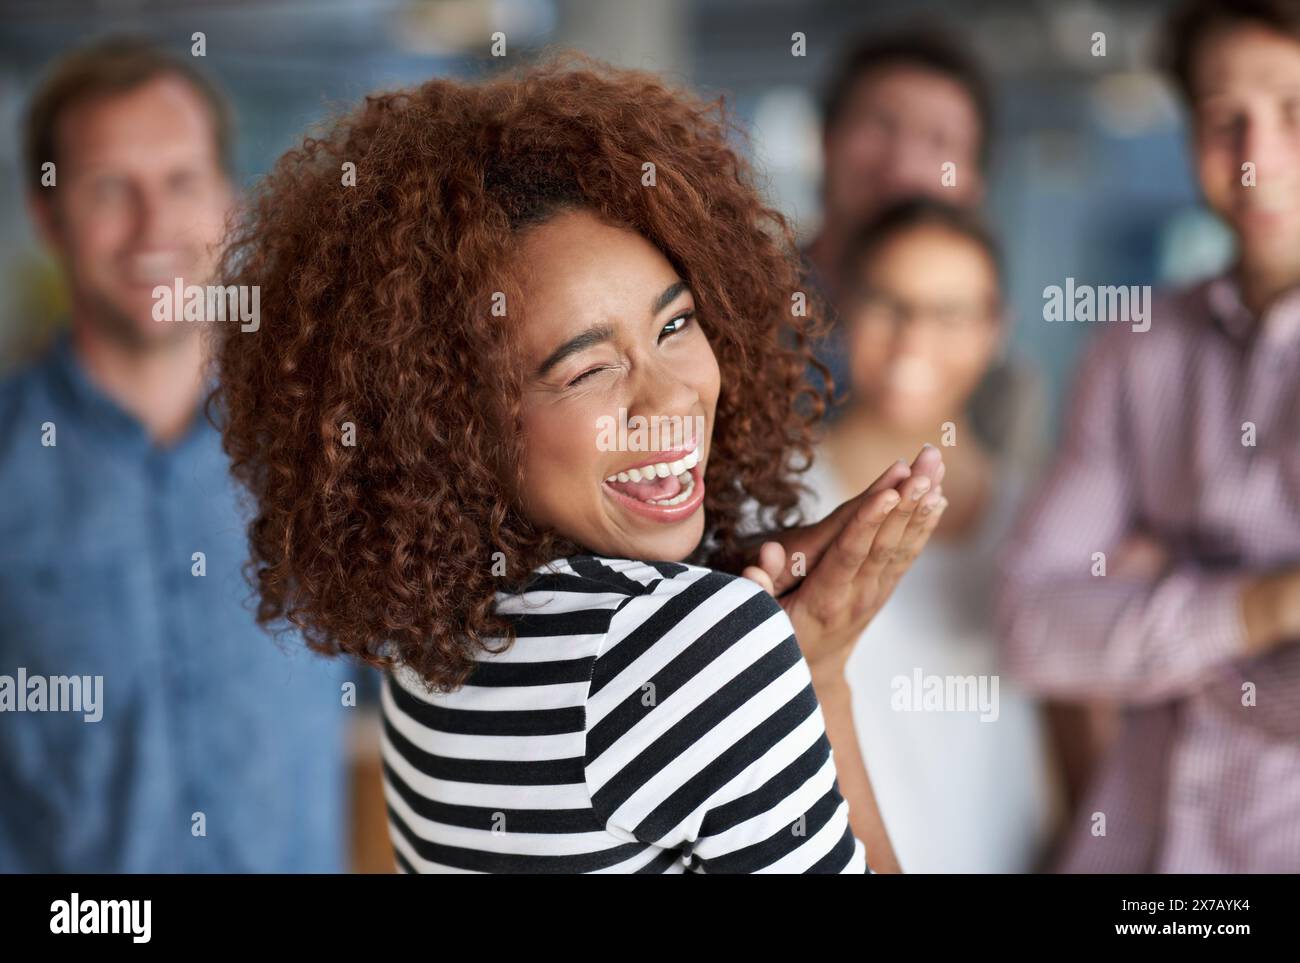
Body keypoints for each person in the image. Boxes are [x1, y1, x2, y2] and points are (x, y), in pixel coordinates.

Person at [210, 56, 951, 874]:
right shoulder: (703, 649)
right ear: (455, 424)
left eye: (675, 326)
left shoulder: (429, 647)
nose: (670, 399)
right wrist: (821, 674)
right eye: (587, 368)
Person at [0, 37, 361, 872]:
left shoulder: (321, 450)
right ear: (49, 214)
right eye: (109, 188)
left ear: (229, 204)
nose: (153, 224)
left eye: (180, 180)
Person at [996, 0, 1300, 872]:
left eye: (1294, 110)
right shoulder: (1134, 347)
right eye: (1222, 121)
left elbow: (1081, 622)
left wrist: (1155, 602)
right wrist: (1265, 605)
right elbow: (1029, 622)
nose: (1257, 159)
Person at [803, 198, 1059, 872]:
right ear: (846, 308)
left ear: (994, 327)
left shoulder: (1041, 517)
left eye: (950, 313)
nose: (915, 337)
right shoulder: (775, 497)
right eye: (890, 302)